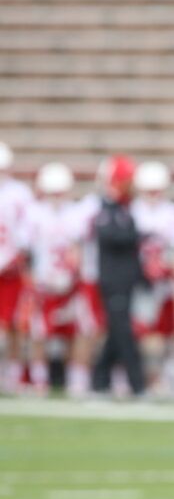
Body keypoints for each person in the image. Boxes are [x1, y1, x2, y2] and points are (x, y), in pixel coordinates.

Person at [26, 164, 89, 396]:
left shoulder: (76, 213)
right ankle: (39, 379)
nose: (57, 197)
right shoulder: (34, 213)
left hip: (72, 283)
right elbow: (27, 251)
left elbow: (81, 248)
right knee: (38, 332)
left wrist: (75, 272)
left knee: (78, 330)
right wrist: (32, 278)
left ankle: (77, 380)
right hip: (43, 283)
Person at [132, 160, 174, 399]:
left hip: (165, 283)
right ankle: (142, 376)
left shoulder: (173, 213)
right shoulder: (133, 210)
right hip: (139, 283)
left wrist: (168, 266)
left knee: (170, 332)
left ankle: (169, 376)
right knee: (140, 332)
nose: (153, 195)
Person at [90, 155, 147, 397]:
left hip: (125, 279)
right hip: (113, 280)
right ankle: (137, 384)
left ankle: (99, 382)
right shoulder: (106, 207)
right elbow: (109, 236)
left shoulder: (125, 208)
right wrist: (139, 237)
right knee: (122, 331)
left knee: (116, 332)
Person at [0, 142, 34, 393]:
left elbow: (28, 231)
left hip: (12, 270)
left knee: (15, 324)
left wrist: (17, 255)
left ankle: (14, 373)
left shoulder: (19, 193)